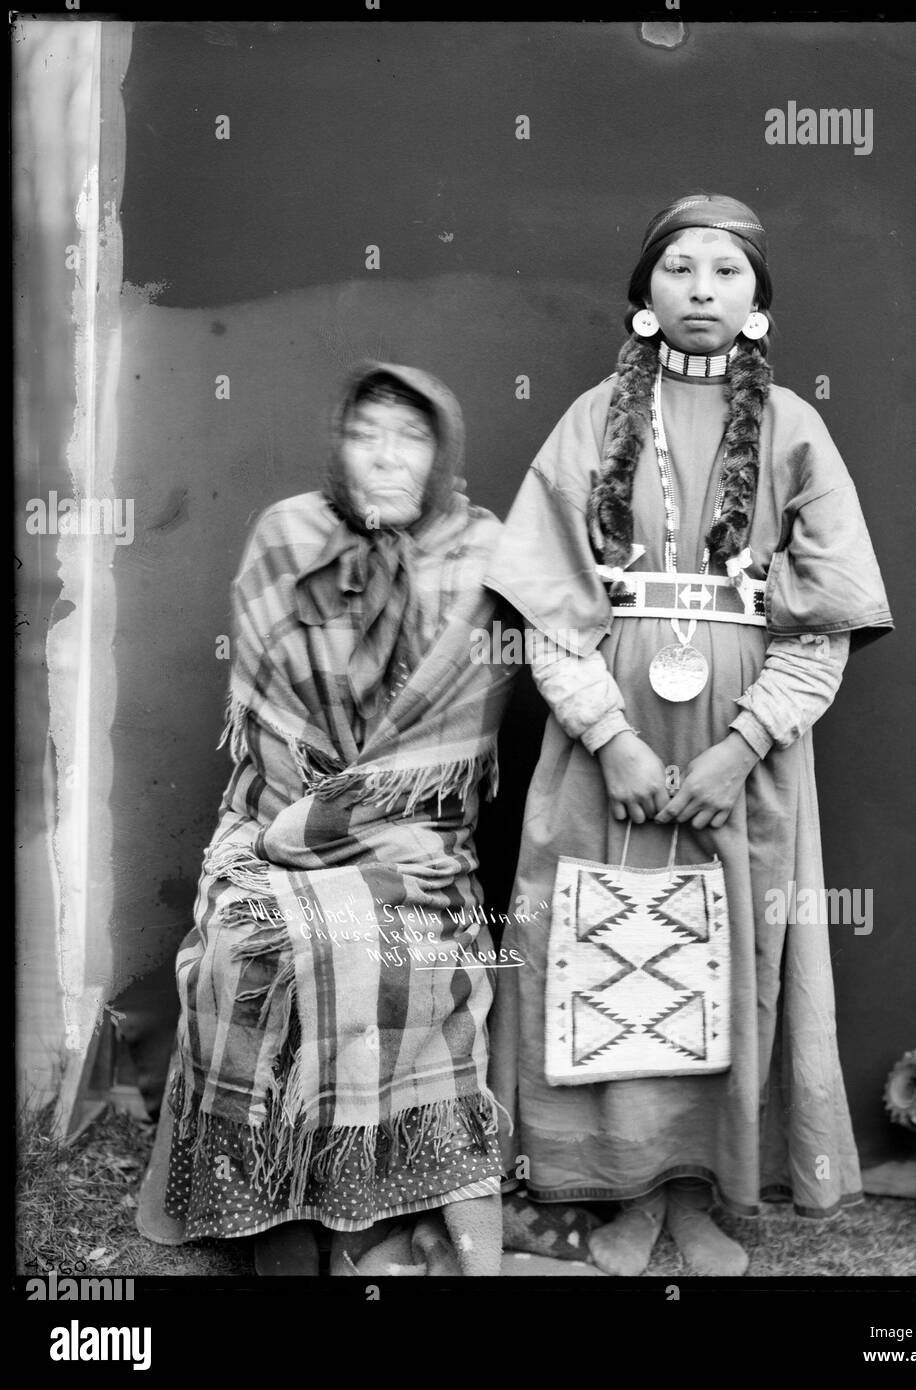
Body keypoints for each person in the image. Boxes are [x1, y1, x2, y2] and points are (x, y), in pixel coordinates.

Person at [485, 192, 894, 1276]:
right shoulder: (588, 420)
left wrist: (740, 747)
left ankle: (702, 1194)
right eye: (678, 269)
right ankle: (619, 1191)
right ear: (643, 295)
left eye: (724, 270)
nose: (701, 288)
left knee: (727, 950)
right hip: (604, 742)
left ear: (757, 299)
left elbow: (829, 624)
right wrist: (612, 743)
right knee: (606, 943)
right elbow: (543, 607)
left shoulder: (796, 430)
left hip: (737, 746)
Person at [137, 361, 516, 1275]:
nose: (387, 458)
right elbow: (273, 764)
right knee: (253, 950)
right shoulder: (287, 537)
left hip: (425, 842)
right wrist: (348, 860)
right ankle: (278, 1214)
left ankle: (360, 1209)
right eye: (366, 434)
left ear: (442, 453)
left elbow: (454, 750)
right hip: (272, 837)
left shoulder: (482, 555)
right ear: (337, 445)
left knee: (397, 958)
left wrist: (384, 858)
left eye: (411, 437)